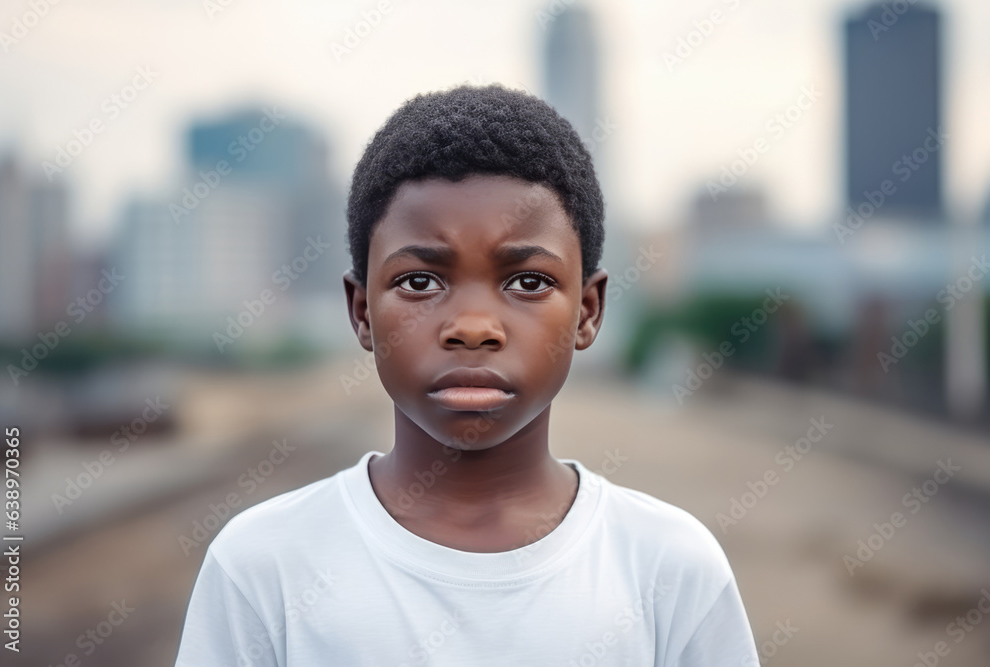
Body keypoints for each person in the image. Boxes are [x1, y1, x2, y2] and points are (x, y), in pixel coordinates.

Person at [175, 83, 760, 666]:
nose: (474, 326)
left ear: (587, 311)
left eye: (528, 282)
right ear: (362, 313)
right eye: (420, 282)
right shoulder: (261, 566)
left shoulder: (673, 569)